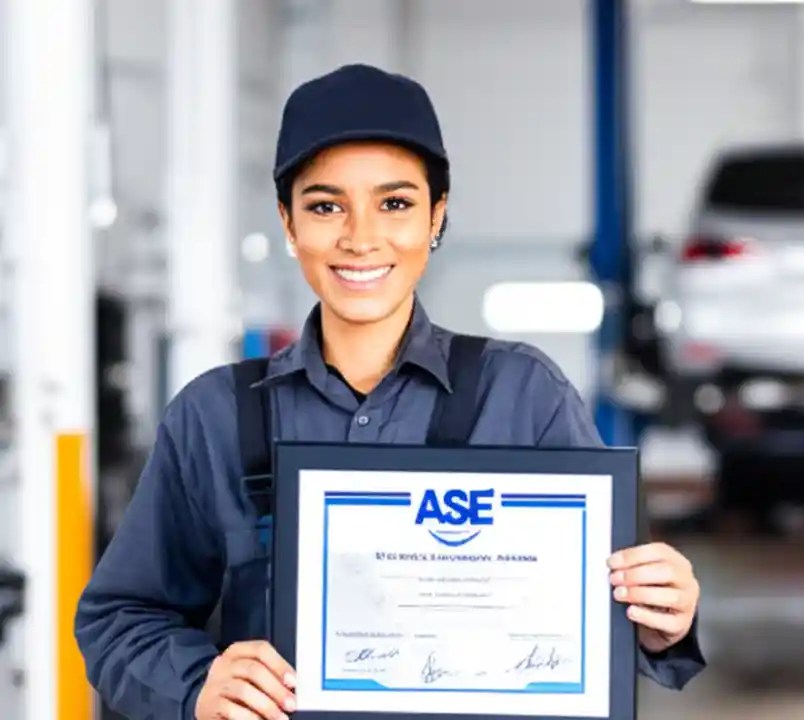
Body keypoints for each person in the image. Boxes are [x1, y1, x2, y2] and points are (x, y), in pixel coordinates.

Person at [76, 63, 705, 720]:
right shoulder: (215, 416)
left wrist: (661, 614)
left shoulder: (523, 395)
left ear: (437, 217)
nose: (361, 237)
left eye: (395, 203)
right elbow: (119, 618)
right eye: (325, 206)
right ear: (289, 225)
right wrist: (197, 684)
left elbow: (594, 614)